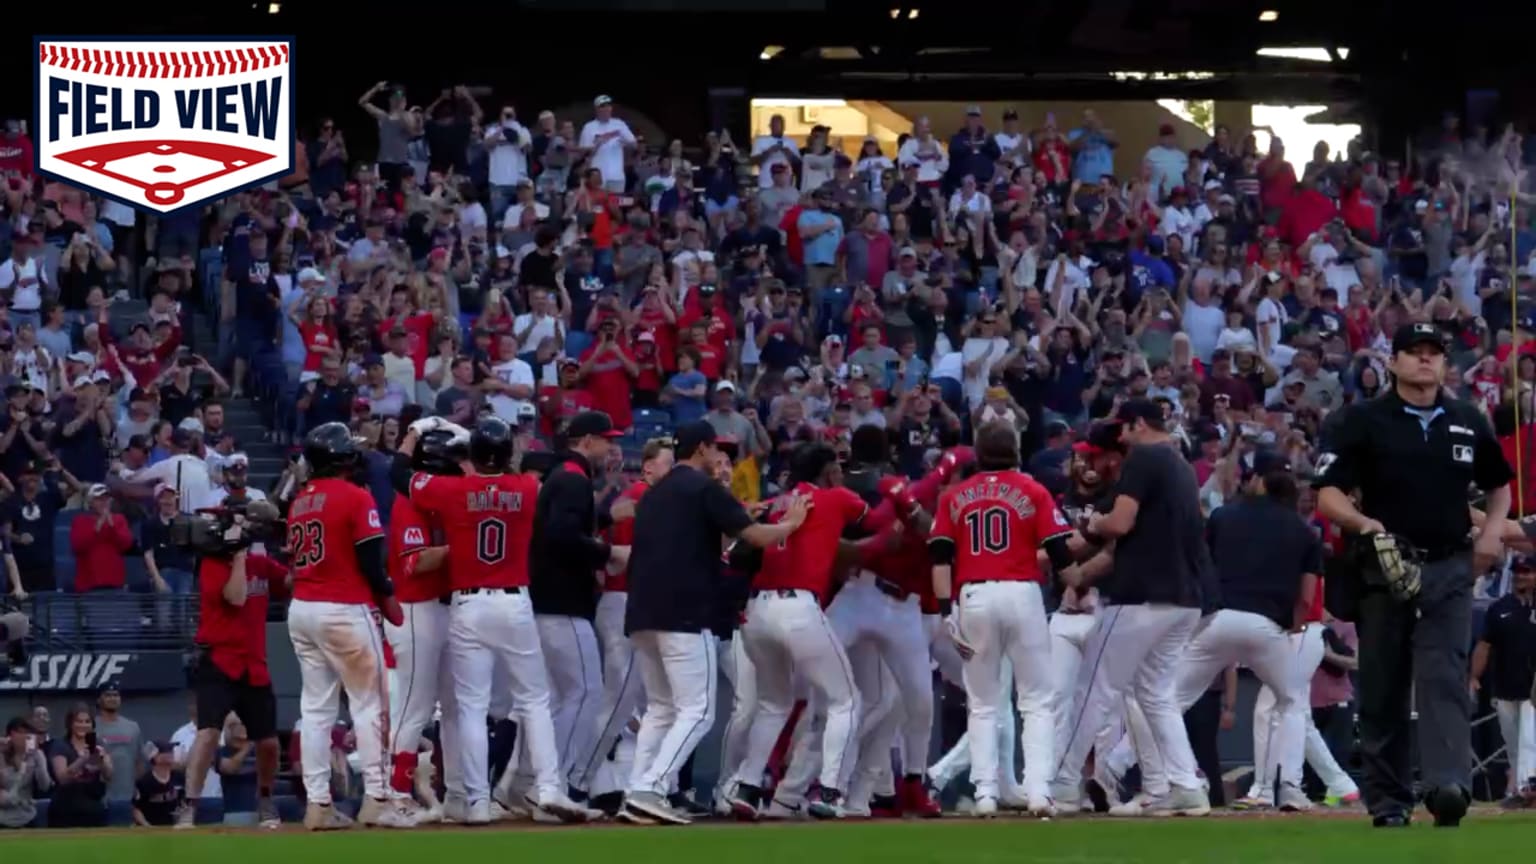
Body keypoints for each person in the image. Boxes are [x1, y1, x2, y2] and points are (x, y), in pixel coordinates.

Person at [1314, 321, 1514, 828]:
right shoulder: (1360, 420)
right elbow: (1327, 492)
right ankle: (1388, 800)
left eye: (1434, 353)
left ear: (1446, 364)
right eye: (1414, 351)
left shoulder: (1468, 419)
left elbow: (1498, 487)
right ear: (1393, 361)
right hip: (1384, 563)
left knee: (1445, 673)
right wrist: (1365, 524)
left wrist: (1492, 533)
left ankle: (1449, 786)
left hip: (1449, 563)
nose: (1425, 360)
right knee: (1383, 680)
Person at [397, 415, 594, 825]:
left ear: (471, 457)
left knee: (471, 707)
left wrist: (416, 432)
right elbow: (533, 469)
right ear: (507, 455)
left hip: (468, 604)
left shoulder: (453, 489)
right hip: (514, 602)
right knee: (535, 701)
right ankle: (549, 787)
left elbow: (399, 472)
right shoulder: (526, 487)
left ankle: (477, 801)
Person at [624, 422, 809, 825]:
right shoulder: (703, 488)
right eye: (715, 449)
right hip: (683, 613)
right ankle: (650, 787)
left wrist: (741, 518)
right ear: (702, 449)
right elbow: (757, 537)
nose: (718, 457)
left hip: (642, 611)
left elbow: (712, 538)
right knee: (698, 709)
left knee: (661, 709)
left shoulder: (657, 493)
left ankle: (634, 789)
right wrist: (790, 525)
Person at [1054, 398, 1212, 817]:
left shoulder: (1145, 456)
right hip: (1184, 600)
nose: (1120, 438)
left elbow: (1119, 523)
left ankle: (1063, 785)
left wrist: (1090, 524)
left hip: (1140, 596)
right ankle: (1186, 786)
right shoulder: (1179, 464)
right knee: (1157, 695)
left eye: (1123, 428)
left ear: (1139, 424)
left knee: (1092, 689)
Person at [928, 421, 1075, 818]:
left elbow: (939, 558)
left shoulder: (954, 495)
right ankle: (1039, 791)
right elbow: (1060, 553)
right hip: (1022, 593)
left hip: (973, 594)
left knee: (982, 704)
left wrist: (946, 611)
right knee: (1036, 701)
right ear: (1014, 450)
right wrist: (1081, 582)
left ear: (978, 452)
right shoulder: (1033, 489)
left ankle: (985, 794)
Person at [1169, 449, 1320, 812]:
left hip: (1219, 620)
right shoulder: (1304, 530)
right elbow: (1307, 595)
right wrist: (1292, 626)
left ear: (1257, 481)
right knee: (1290, 703)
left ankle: (1143, 776)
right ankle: (1276, 790)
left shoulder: (1225, 515)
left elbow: (1200, 566)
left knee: (1167, 701)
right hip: (1269, 626)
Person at [722, 442, 862, 823]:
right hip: (798, 606)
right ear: (826, 471)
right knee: (845, 700)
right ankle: (830, 791)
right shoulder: (833, 497)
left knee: (773, 703)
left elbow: (735, 555)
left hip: (757, 610)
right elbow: (873, 517)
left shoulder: (773, 503)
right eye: (835, 467)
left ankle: (748, 786)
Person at [285, 422, 411, 830]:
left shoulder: (300, 500)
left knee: (316, 710)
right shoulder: (356, 496)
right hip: (343, 607)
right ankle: (377, 799)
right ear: (342, 457)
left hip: (302, 607)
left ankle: (318, 804)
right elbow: (373, 561)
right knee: (370, 704)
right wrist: (389, 595)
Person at [571, 437, 674, 805]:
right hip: (624, 603)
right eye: (667, 463)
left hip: (632, 603)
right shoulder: (641, 498)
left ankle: (654, 788)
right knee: (617, 702)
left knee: (655, 704)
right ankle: (578, 781)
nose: (674, 471)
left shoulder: (639, 498)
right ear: (649, 468)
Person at [528, 410, 623, 796]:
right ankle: (553, 784)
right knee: (585, 692)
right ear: (586, 441)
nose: (611, 448)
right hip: (563, 601)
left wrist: (601, 519)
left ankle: (533, 782)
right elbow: (561, 536)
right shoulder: (572, 478)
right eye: (606, 440)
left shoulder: (563, 475)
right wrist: (607, 552)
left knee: (562, 697)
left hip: (548, 601)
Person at [179, 501, 288, 830]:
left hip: (254, 664)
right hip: (219, 660)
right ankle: (189, 806)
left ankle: (266, 799)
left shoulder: (262, 564)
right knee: (208, 734)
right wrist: (238, 555)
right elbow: (237, 597)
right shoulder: (212, 564)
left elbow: (291, 584)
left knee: (268, 742)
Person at [380, 426, 460, 821]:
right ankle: (396, 795)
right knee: (415, 707)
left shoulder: (446, 497)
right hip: (416, 609)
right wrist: (462, 543)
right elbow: (416, 562)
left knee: (455, 706)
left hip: (445, 609)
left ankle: (456, 791)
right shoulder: (408, 502)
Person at [1469, 555, 1536, 806]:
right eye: (1519, 572)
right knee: (1512, 742)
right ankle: (1523, 790)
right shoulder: (1500, 608)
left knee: (1530, 739)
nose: (1522, 576)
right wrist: (1474, 677)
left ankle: (1525, 789)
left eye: (1528, 572)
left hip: (1533, 687)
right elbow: (1485, 645)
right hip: (1505, 686)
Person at [47, 704, 111, 828]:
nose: (83, 725)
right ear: (70, 724)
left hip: (93, 807)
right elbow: (63, 778)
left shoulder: (99, 744)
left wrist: (102, 761)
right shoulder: (60, 745)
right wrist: (82, 759)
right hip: (65, 809)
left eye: (87, 721)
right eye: (78, 721)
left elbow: (109, 775)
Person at [0, 716, 51, 829]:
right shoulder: (1, 757)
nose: (25, 737)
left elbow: (44, 786)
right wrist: (23, 769)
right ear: (10, 735)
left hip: (28, 815)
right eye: (20, 733)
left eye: (28, 733)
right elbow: (9, 800)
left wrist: (39, 761)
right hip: (3, 817)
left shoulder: (36, 756)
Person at [133, 742, 183, 827]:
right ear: (154, 756)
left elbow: (185, 802)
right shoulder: (144, 781)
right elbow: (136, 808)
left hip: (174, 828)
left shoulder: (179, 777)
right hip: (150, 828)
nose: (170, 754)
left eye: (171, 751)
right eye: (165, 752)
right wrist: (147, 826)